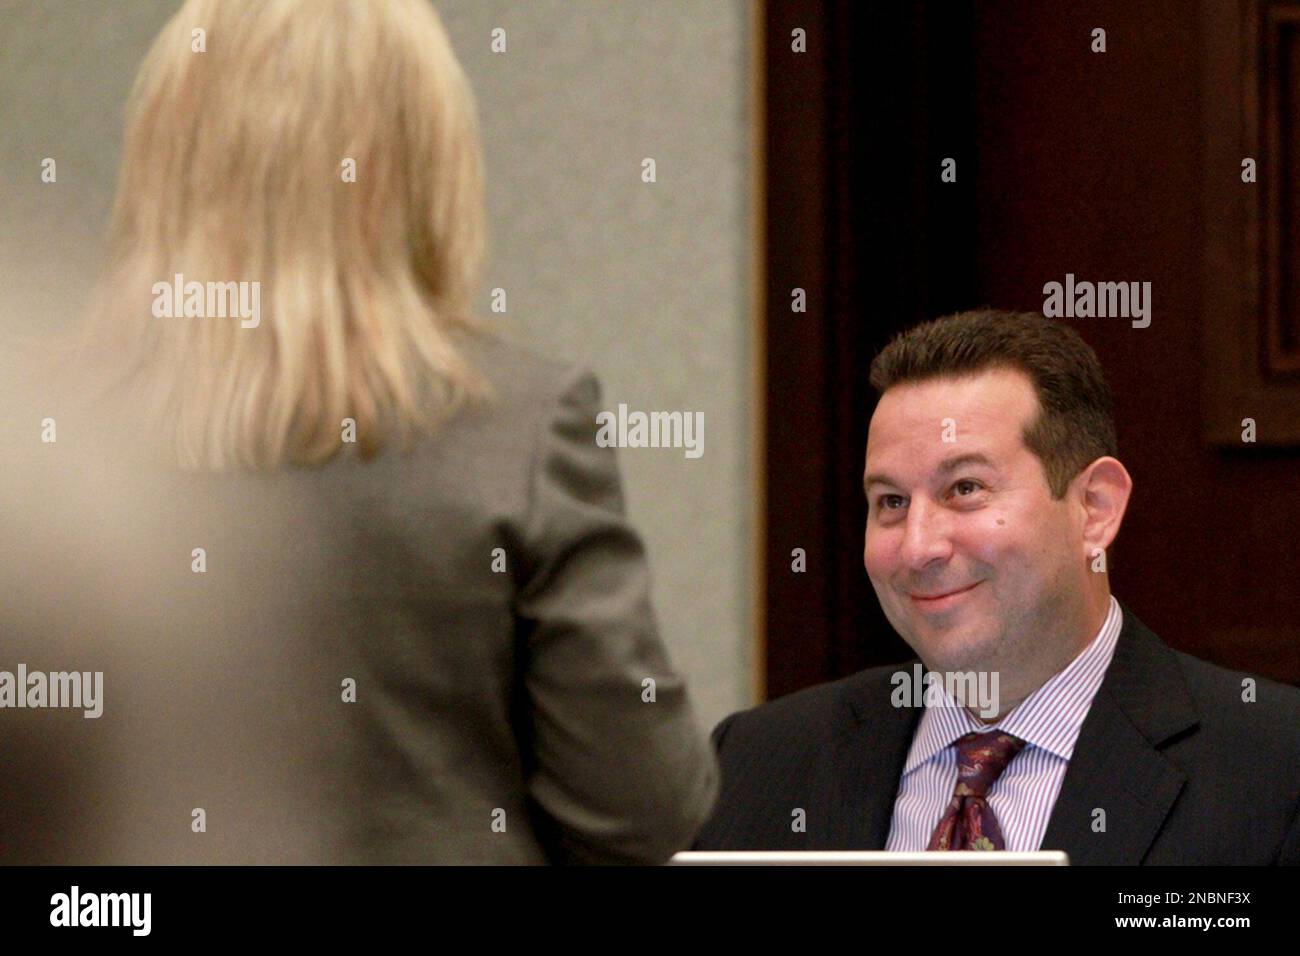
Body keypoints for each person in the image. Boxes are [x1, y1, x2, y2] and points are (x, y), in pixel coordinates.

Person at [0, 0, 716, 864]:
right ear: (424, 162)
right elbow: (643, 810)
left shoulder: (39, 441)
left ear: (165, 154)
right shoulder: (518, 432)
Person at [694, 309, 1300, 864]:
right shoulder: (756, 763)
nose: (917, 546)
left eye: (964, 489)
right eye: (892, 502)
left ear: (1095, 509)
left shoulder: (1273, 770)